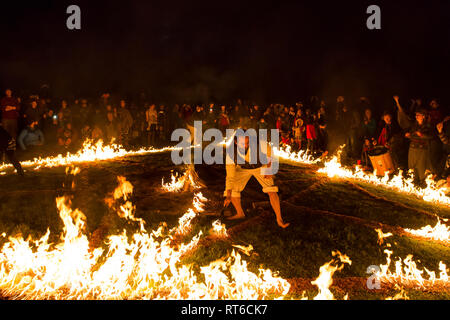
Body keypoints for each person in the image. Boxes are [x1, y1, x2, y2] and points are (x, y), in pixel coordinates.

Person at [223, 129, 289, 229]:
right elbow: (230, 176)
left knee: (271, 189)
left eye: (247, 142)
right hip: (243, 169)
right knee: (232, 189)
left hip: (260, 167)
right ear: (236, 142)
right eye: (242, 143)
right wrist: (228, 195)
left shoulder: (260, 144)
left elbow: (270, 154)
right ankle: (240, 213)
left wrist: (270, 168)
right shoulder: (231, 154)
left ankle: (279, 219)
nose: (245, 146)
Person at [395, 96, 434, 186]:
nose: (416, 116)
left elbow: (430, 136)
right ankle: (413, 182)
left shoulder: (428, 126)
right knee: (412, 166)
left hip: (422, 150)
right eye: (416, 115)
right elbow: (412, 134)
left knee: (421, 167)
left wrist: (422, 135)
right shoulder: (414, 125)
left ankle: (423, 184)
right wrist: (408, 135)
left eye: (418, 115)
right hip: (412, 148)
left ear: (423, 116)